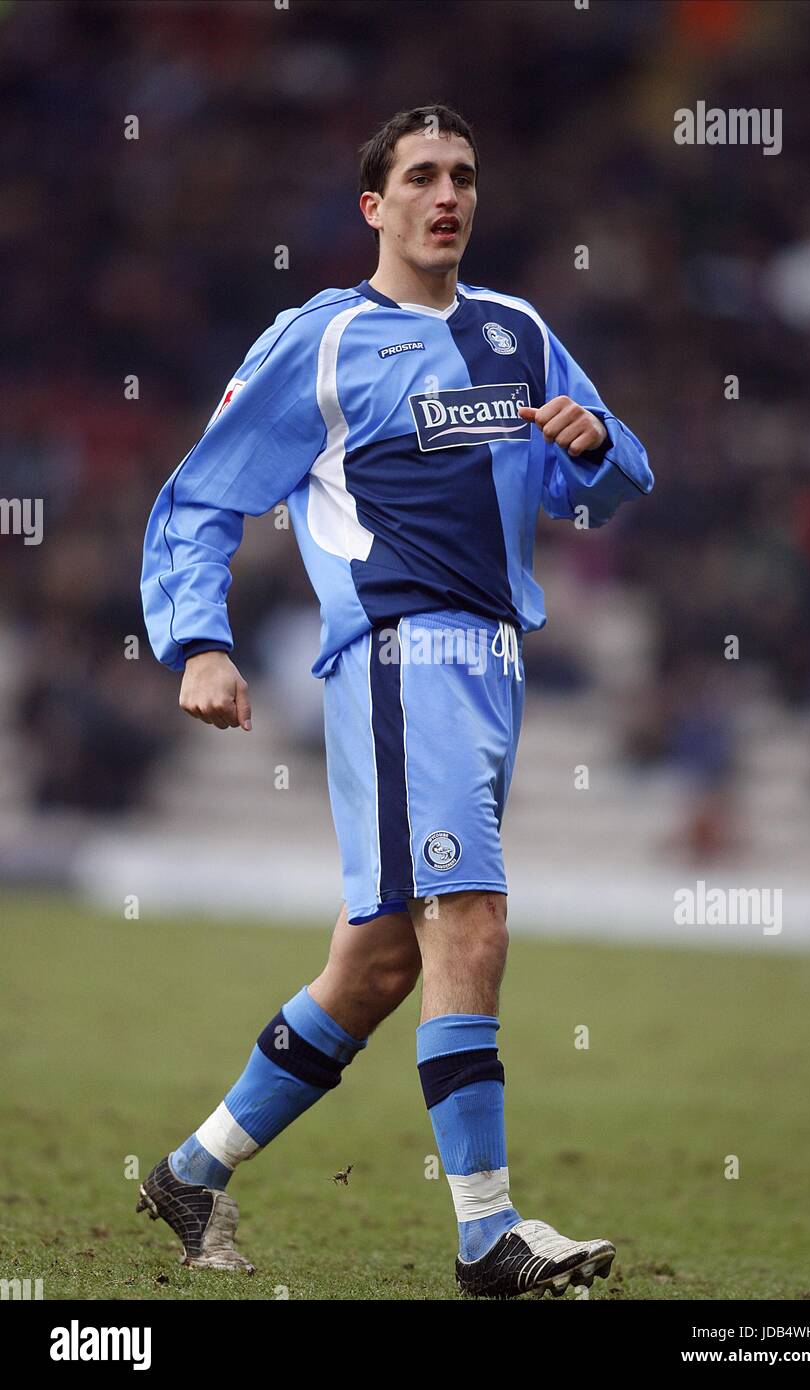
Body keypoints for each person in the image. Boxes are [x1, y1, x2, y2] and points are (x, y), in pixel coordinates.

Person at [138, 104, 653, 1298]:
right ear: (373, 206)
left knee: (377, 962)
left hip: (494, 664)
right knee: (467, 918)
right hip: (397, 658)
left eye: (463, 176)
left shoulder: (518, 331)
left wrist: (596, 443)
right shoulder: (321, 340)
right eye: (420, 176)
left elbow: (612, 482)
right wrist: (200, 642)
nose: (447, 196)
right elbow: (201, 496)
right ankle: (487, 1236)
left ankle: (189, 1170)